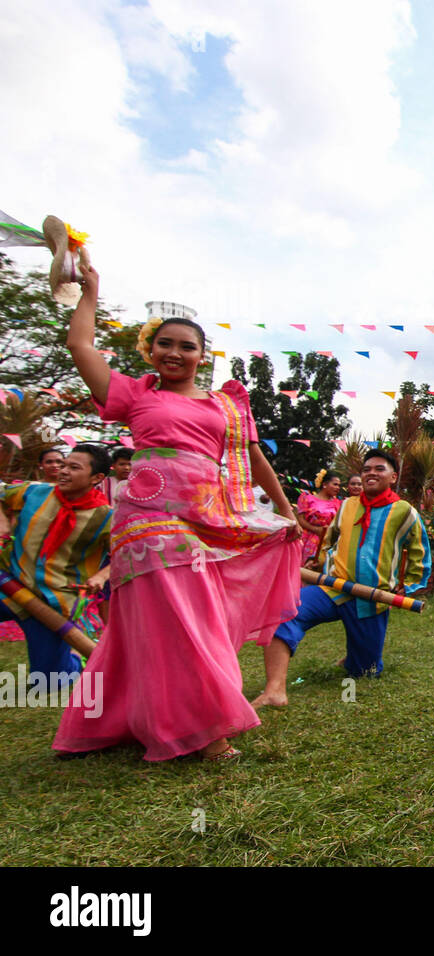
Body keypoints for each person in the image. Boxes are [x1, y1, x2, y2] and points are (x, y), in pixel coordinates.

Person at [53, 264, 303, 761]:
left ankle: (110, 720)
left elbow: (252, 459)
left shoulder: (227, 405)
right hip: (150, 519)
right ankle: (207, 731)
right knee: (182, 619)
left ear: (201, 356)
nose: (175, 353)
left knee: (159, 625)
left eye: (187, 346)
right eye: (165, 343)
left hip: (213, 520)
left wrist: (282, 508)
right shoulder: (136, 393)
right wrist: (92, 292)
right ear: (150, 350)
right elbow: (81, 348)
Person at [253, 449, 431, 707]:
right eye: (366, 468)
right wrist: (320, 562)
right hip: (333, 587)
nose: (371, 473)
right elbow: (330, 538)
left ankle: (354, 657)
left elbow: (420, 553)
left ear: (393, 477)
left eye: (379, 469)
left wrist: (411, 585)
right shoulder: (347, 505)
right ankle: (274, 691)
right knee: (284, 611)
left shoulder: (404, 511)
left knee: (365, 672)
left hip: (370, 598)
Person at [0, 444, 113, 687]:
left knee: (49, 682)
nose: (63, 471)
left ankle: (73, 663)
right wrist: (3, 523)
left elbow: (124, 555)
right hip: (9, 586)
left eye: (74, 467)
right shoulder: (33, 492)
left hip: (54, 605)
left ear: (97, 478)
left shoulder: (106, 517)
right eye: (63, 465)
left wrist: (101, 577)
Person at [296, 470, 344, 567]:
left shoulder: (338, 503)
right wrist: (316, 529)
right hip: (306, 538)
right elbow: (300, 519)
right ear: (325, 484)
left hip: (325, 541)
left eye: (339, 485)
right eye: (335, 484)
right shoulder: (307, 498)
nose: (338, 488)